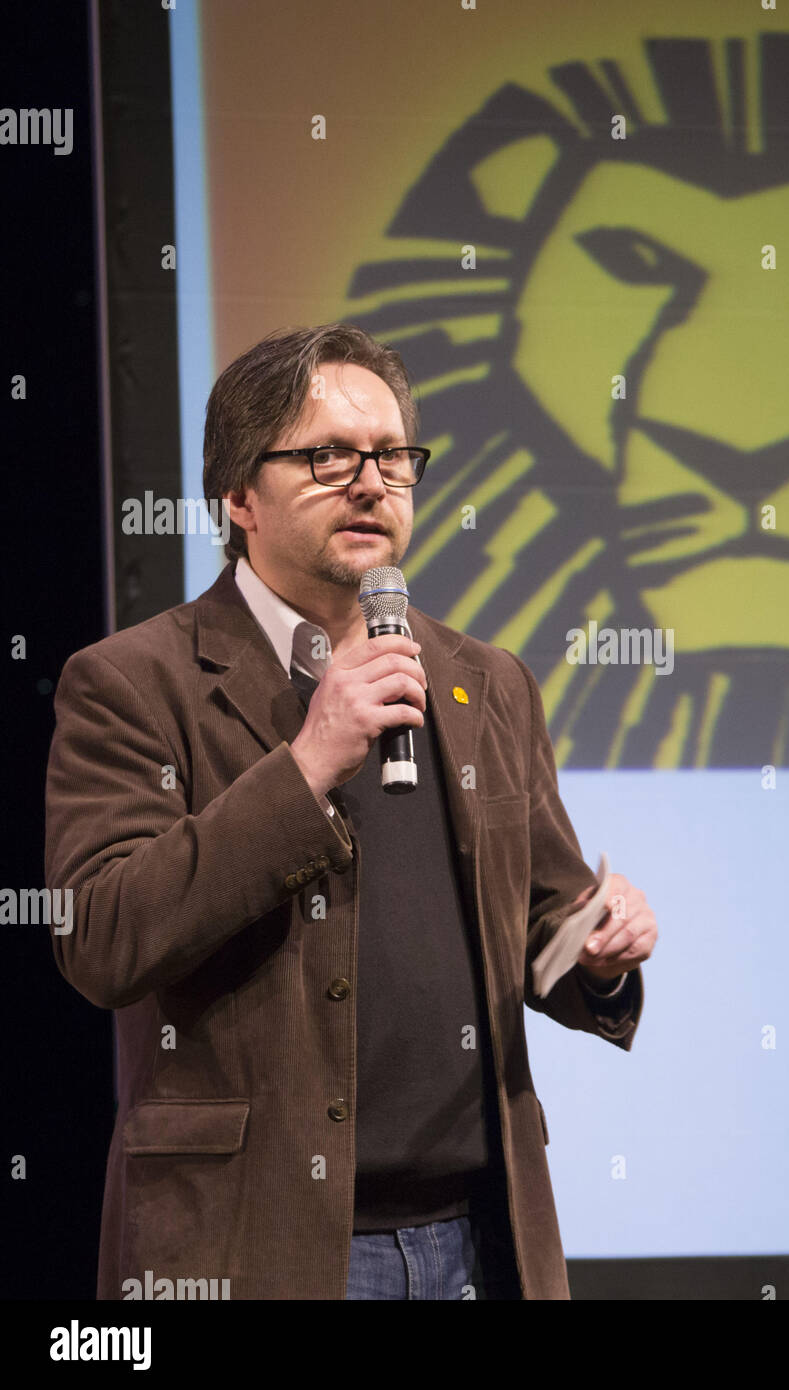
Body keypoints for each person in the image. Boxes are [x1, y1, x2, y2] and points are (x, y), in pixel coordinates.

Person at [43, 323, 656, 1300]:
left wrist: (597, 949)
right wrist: (309, 761)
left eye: (393, 457)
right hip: (263, 1240)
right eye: (328, 457)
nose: (372, 482)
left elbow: (538, 924)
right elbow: (102, 937)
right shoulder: (134, 682)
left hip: (479, 1240)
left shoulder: (484, 681)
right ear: (239, 495)